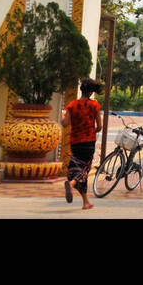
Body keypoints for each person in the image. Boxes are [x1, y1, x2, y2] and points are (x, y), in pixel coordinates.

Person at [61, 78, 103, 210]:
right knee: (84, 169)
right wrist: (92, 130)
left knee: (75, 169)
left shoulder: (72, 105)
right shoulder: (94, 105)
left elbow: (65, 123)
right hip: (88, 142)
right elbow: (100, 126)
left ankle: (86, 202)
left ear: (81, 90)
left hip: (75, 142)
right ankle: (72, 183)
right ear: (91, 92)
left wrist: (63, 116)